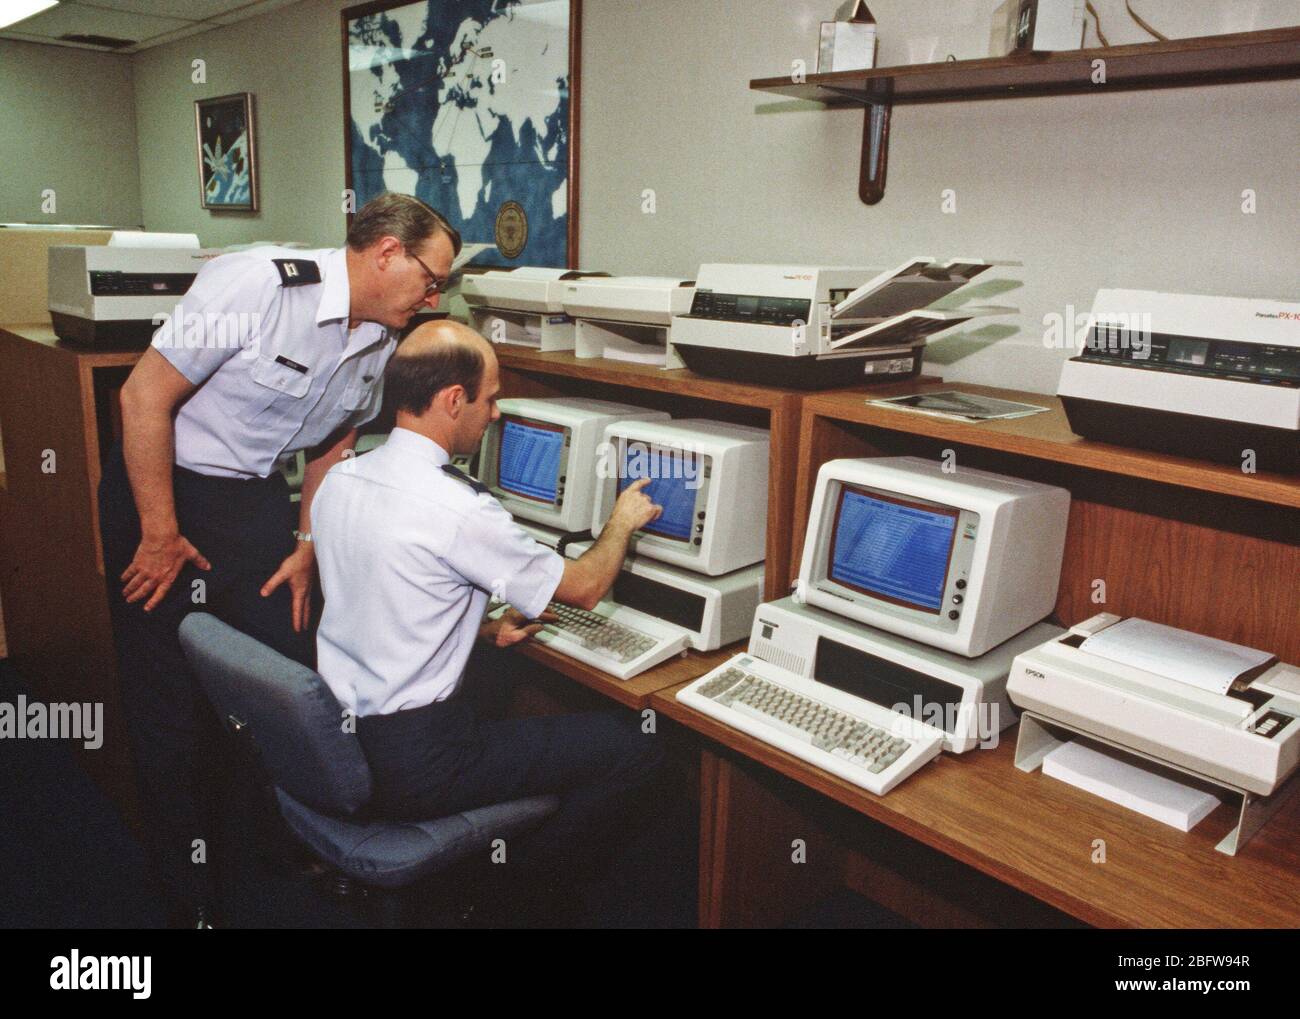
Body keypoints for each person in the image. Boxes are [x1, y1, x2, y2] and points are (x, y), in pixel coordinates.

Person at [99, 193, 462, 927]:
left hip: (255, 505)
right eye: (431, 278)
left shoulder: (383, 339)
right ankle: (187, 887)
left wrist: (305, 547)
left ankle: (284, 841)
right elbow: (143, 398)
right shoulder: (260, 284)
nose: (435, 296)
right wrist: (160, 531)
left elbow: (334, 444)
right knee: (168, 705)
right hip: (164, 492)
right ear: (387, 251)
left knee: (287, 685)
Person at [310, 321, 668, 916]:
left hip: (344, 740)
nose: (496, 414)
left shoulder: (344, 478)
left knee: (514, 689)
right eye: (491, 398)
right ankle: (512, 896)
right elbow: (581, 589)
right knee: (640, 746)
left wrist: (475, 630)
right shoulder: (458, 508)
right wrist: (621, 524)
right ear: (454, 400)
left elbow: (379, 605)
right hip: (420, 760)